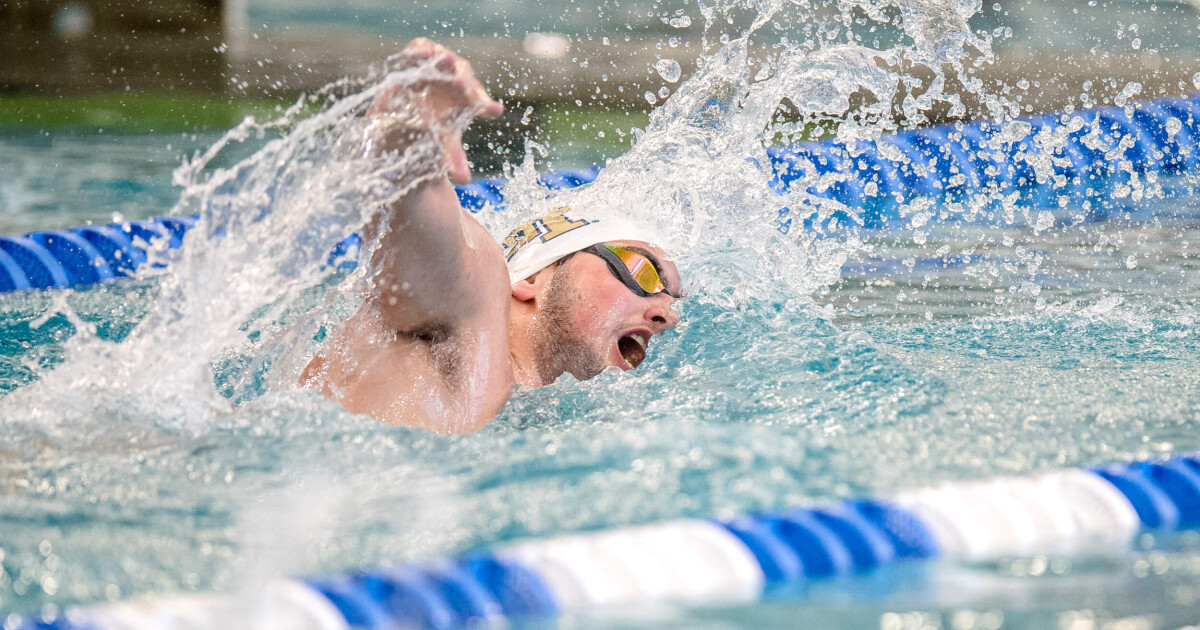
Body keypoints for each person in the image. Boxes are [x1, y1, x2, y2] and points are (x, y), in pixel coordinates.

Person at [301, 39, 683, 434]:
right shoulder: (475, 306)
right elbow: (413, 219)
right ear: (531, 280)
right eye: (643, 272)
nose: (666, 314)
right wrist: (408, 130)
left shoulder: (533, 417)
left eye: (672, 300)